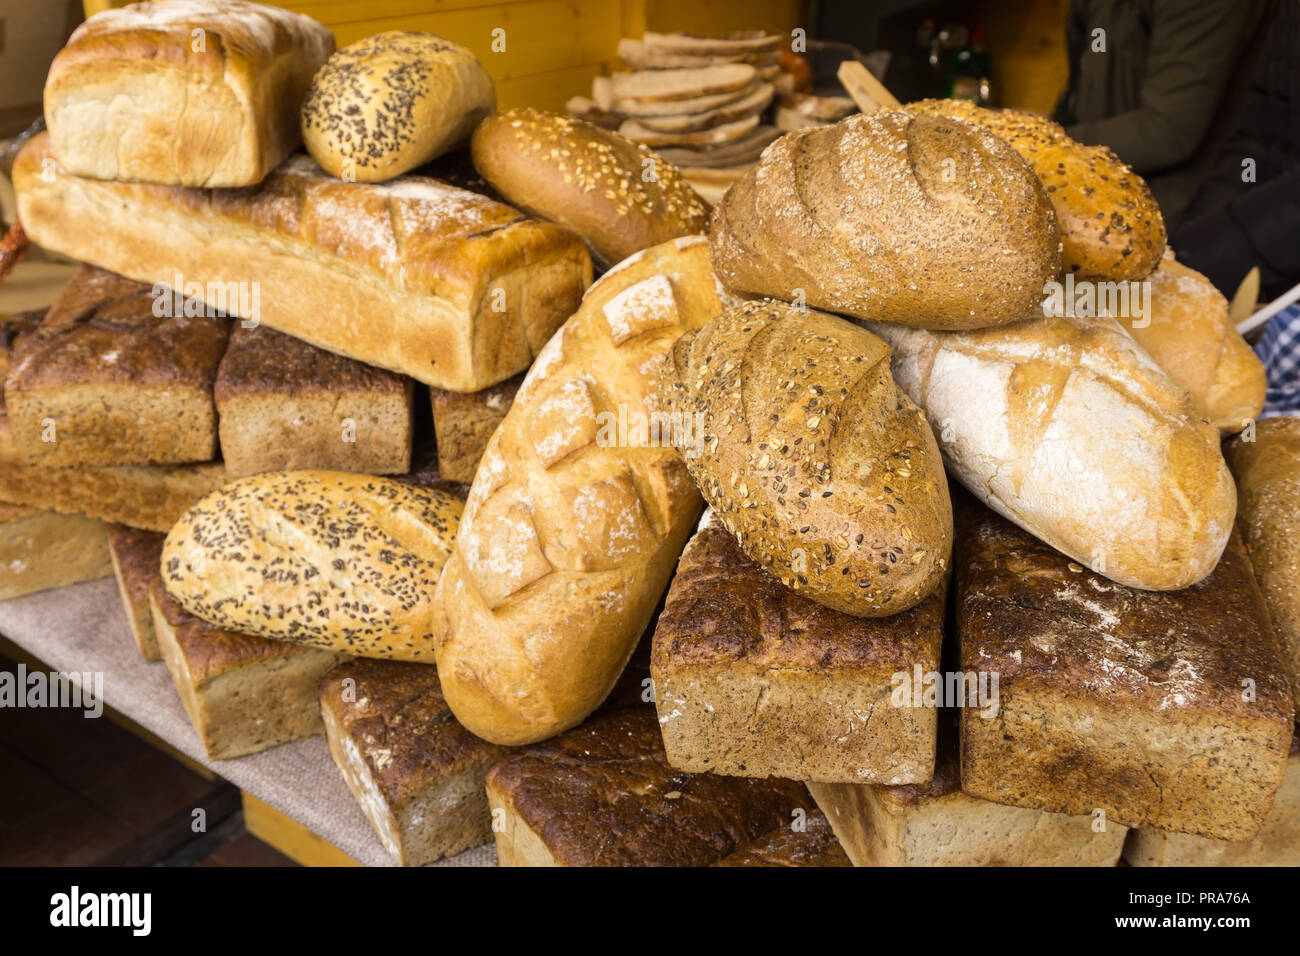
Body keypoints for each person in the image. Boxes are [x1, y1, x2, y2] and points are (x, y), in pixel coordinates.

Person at [1053, 0, 1273, 228]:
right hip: (1091, 181)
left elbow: (1168, 130)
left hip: (1171, 208)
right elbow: (1084, 83)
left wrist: (1048, 145)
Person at [1171, 0, 1299, 302]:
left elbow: (1169, 130)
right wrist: (1189, 237)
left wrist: (1203, 256)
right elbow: (1256, 135)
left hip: (1270, 254)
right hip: (1253, 244)